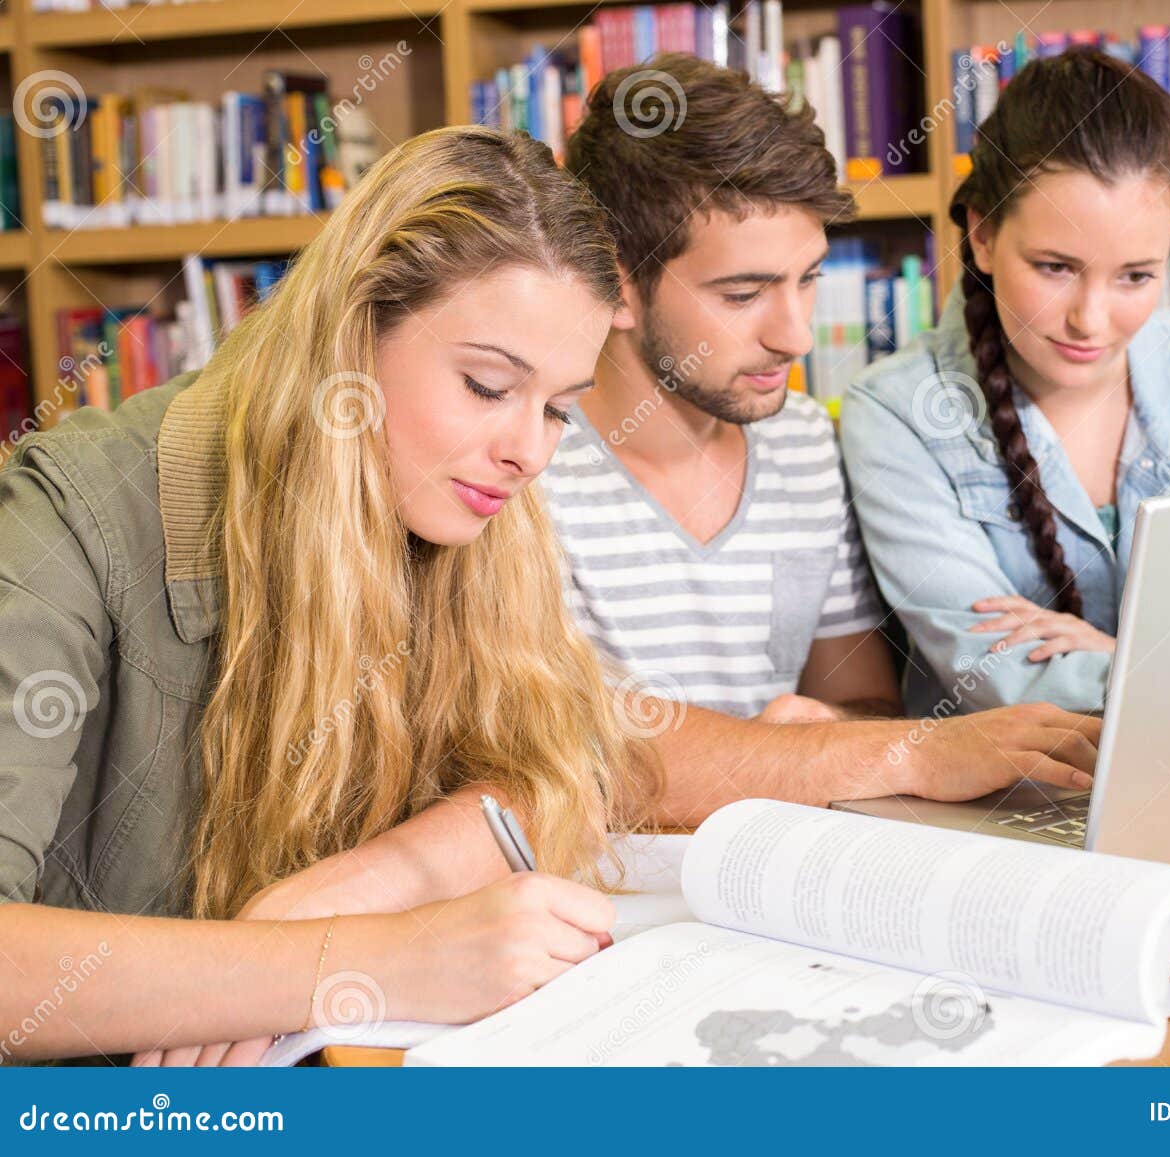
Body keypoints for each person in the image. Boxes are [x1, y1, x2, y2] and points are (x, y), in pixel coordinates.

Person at [0, 126, 655, 1064]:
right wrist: (363, 958)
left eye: (557, 408)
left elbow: (571, 767)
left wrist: (361, 884)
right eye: (485, 384)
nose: (530, 450)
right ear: (352, 331)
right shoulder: (69, 513)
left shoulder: (461, 498)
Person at [551, 54, 1103, 814]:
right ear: (613, 282)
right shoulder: (520, 466)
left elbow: (862, 702)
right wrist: (836, 753)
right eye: (743, 293)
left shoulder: (804, 441)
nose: (797, 334)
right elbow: (571, 757)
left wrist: (827, 731)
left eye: (808, 278)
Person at [839, 50, 1170, 715]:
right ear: (983, 235)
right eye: (1054, 267)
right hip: (1015, 807)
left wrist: (1118, 653)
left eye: (1135, 275)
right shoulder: (895, 412)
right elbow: (1000, 678)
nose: (1091, 319)